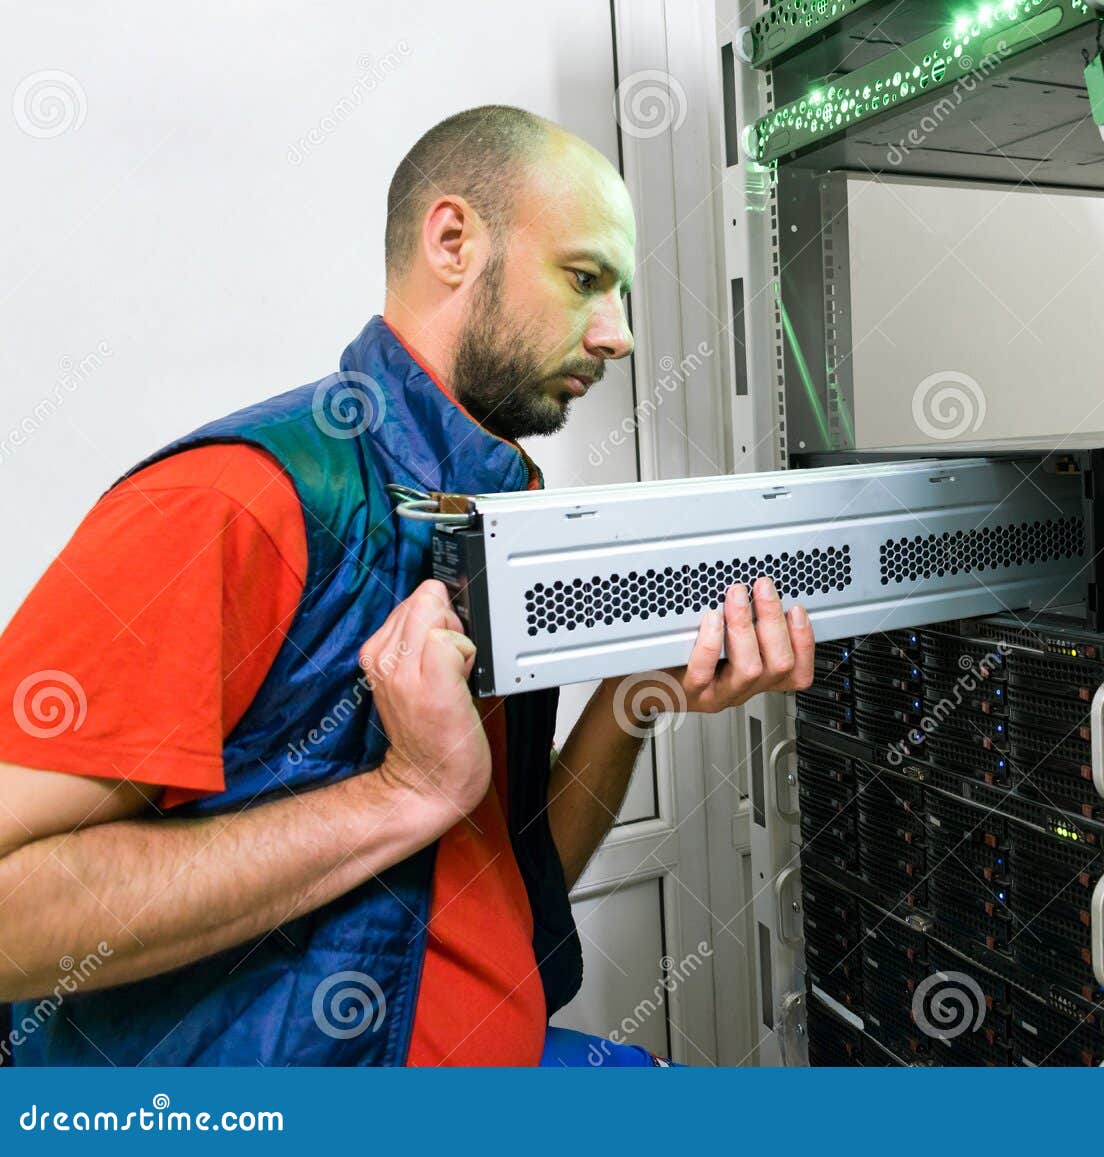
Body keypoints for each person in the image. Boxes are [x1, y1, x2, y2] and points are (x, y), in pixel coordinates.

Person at [0, 106, 814, 1066]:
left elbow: (503, 883)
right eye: (586, 279)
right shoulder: (238, 501)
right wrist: (399, 793)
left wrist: (638, 694)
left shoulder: (495, 516)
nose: (619, 335)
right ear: (454, 241)